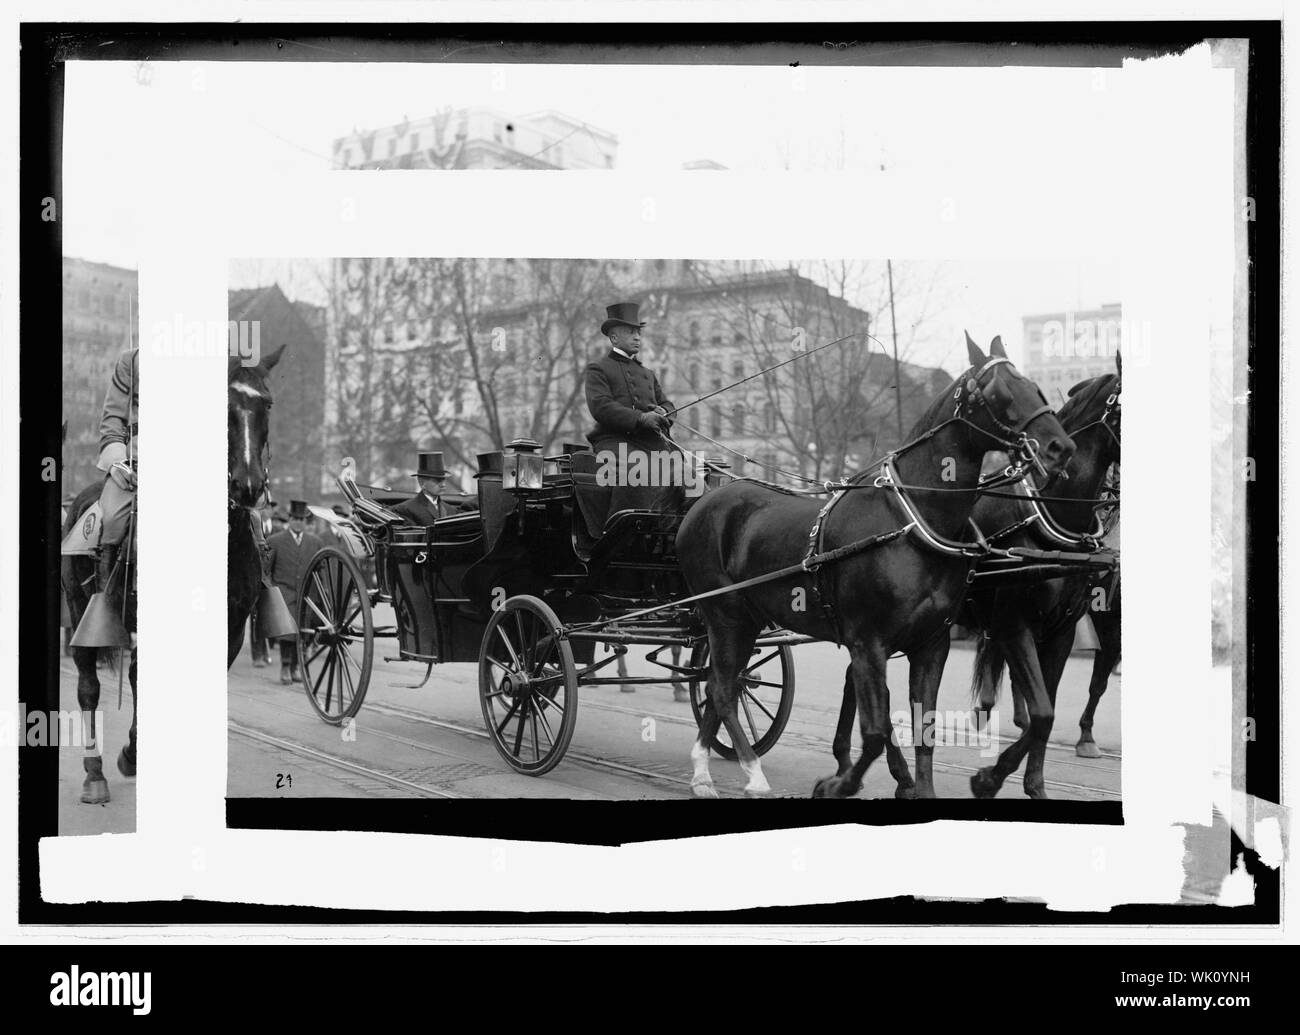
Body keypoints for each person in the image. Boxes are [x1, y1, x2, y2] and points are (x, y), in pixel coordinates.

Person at [583, 301, 678, 515]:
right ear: (614, 337)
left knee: (688, 476)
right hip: (614, 443)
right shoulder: (598, 368)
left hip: (652, 443)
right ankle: (621, 535)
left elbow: (667, 403)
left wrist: (665, 413)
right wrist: (641, 419)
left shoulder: (648, 373)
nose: (637, 337)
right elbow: (601, 406)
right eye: (631, 332)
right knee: (638, 471)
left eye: (639, 332)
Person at [93, 348, 139, 595]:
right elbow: (112, 419)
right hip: (136, 463)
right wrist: (117, 461)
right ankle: (106, 602)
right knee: (111, 518)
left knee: (252, 520)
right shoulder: (131, 361)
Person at [265, 499, 326, 684]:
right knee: (287, 633)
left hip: (307, 595)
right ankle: (285, 666)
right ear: (289, 519)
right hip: (284, 594)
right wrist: (271, 592)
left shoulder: (315, 542)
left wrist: (322, 594)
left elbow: (321, 570)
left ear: (306, 522)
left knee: (303, 632)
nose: (299, 522)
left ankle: (297, 667)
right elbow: (266, 570)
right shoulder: (275, 541)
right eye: (295, 518)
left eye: (302, 519)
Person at [392, 452, 475, 525]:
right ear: (422, 482)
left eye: (443, 480)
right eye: (437, 481)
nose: (443, 485)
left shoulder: (451, 510)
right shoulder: (406, 510)